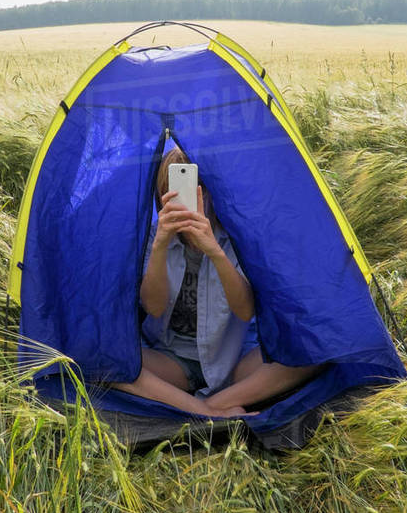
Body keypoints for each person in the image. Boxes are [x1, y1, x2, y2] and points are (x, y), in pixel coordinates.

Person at [108, 148, 322, 418]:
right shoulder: (154, 237)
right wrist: (161, 245)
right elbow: (154, 308)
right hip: (173, 360)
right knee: (107, 363)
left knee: (316, 351)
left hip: (233, 359)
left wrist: (214, 251)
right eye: (171, 193)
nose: (184, 202)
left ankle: (203, 406)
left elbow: (245, 311)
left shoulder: (234, 237)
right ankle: (214, 412)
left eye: (198, 192)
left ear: (211, 193)